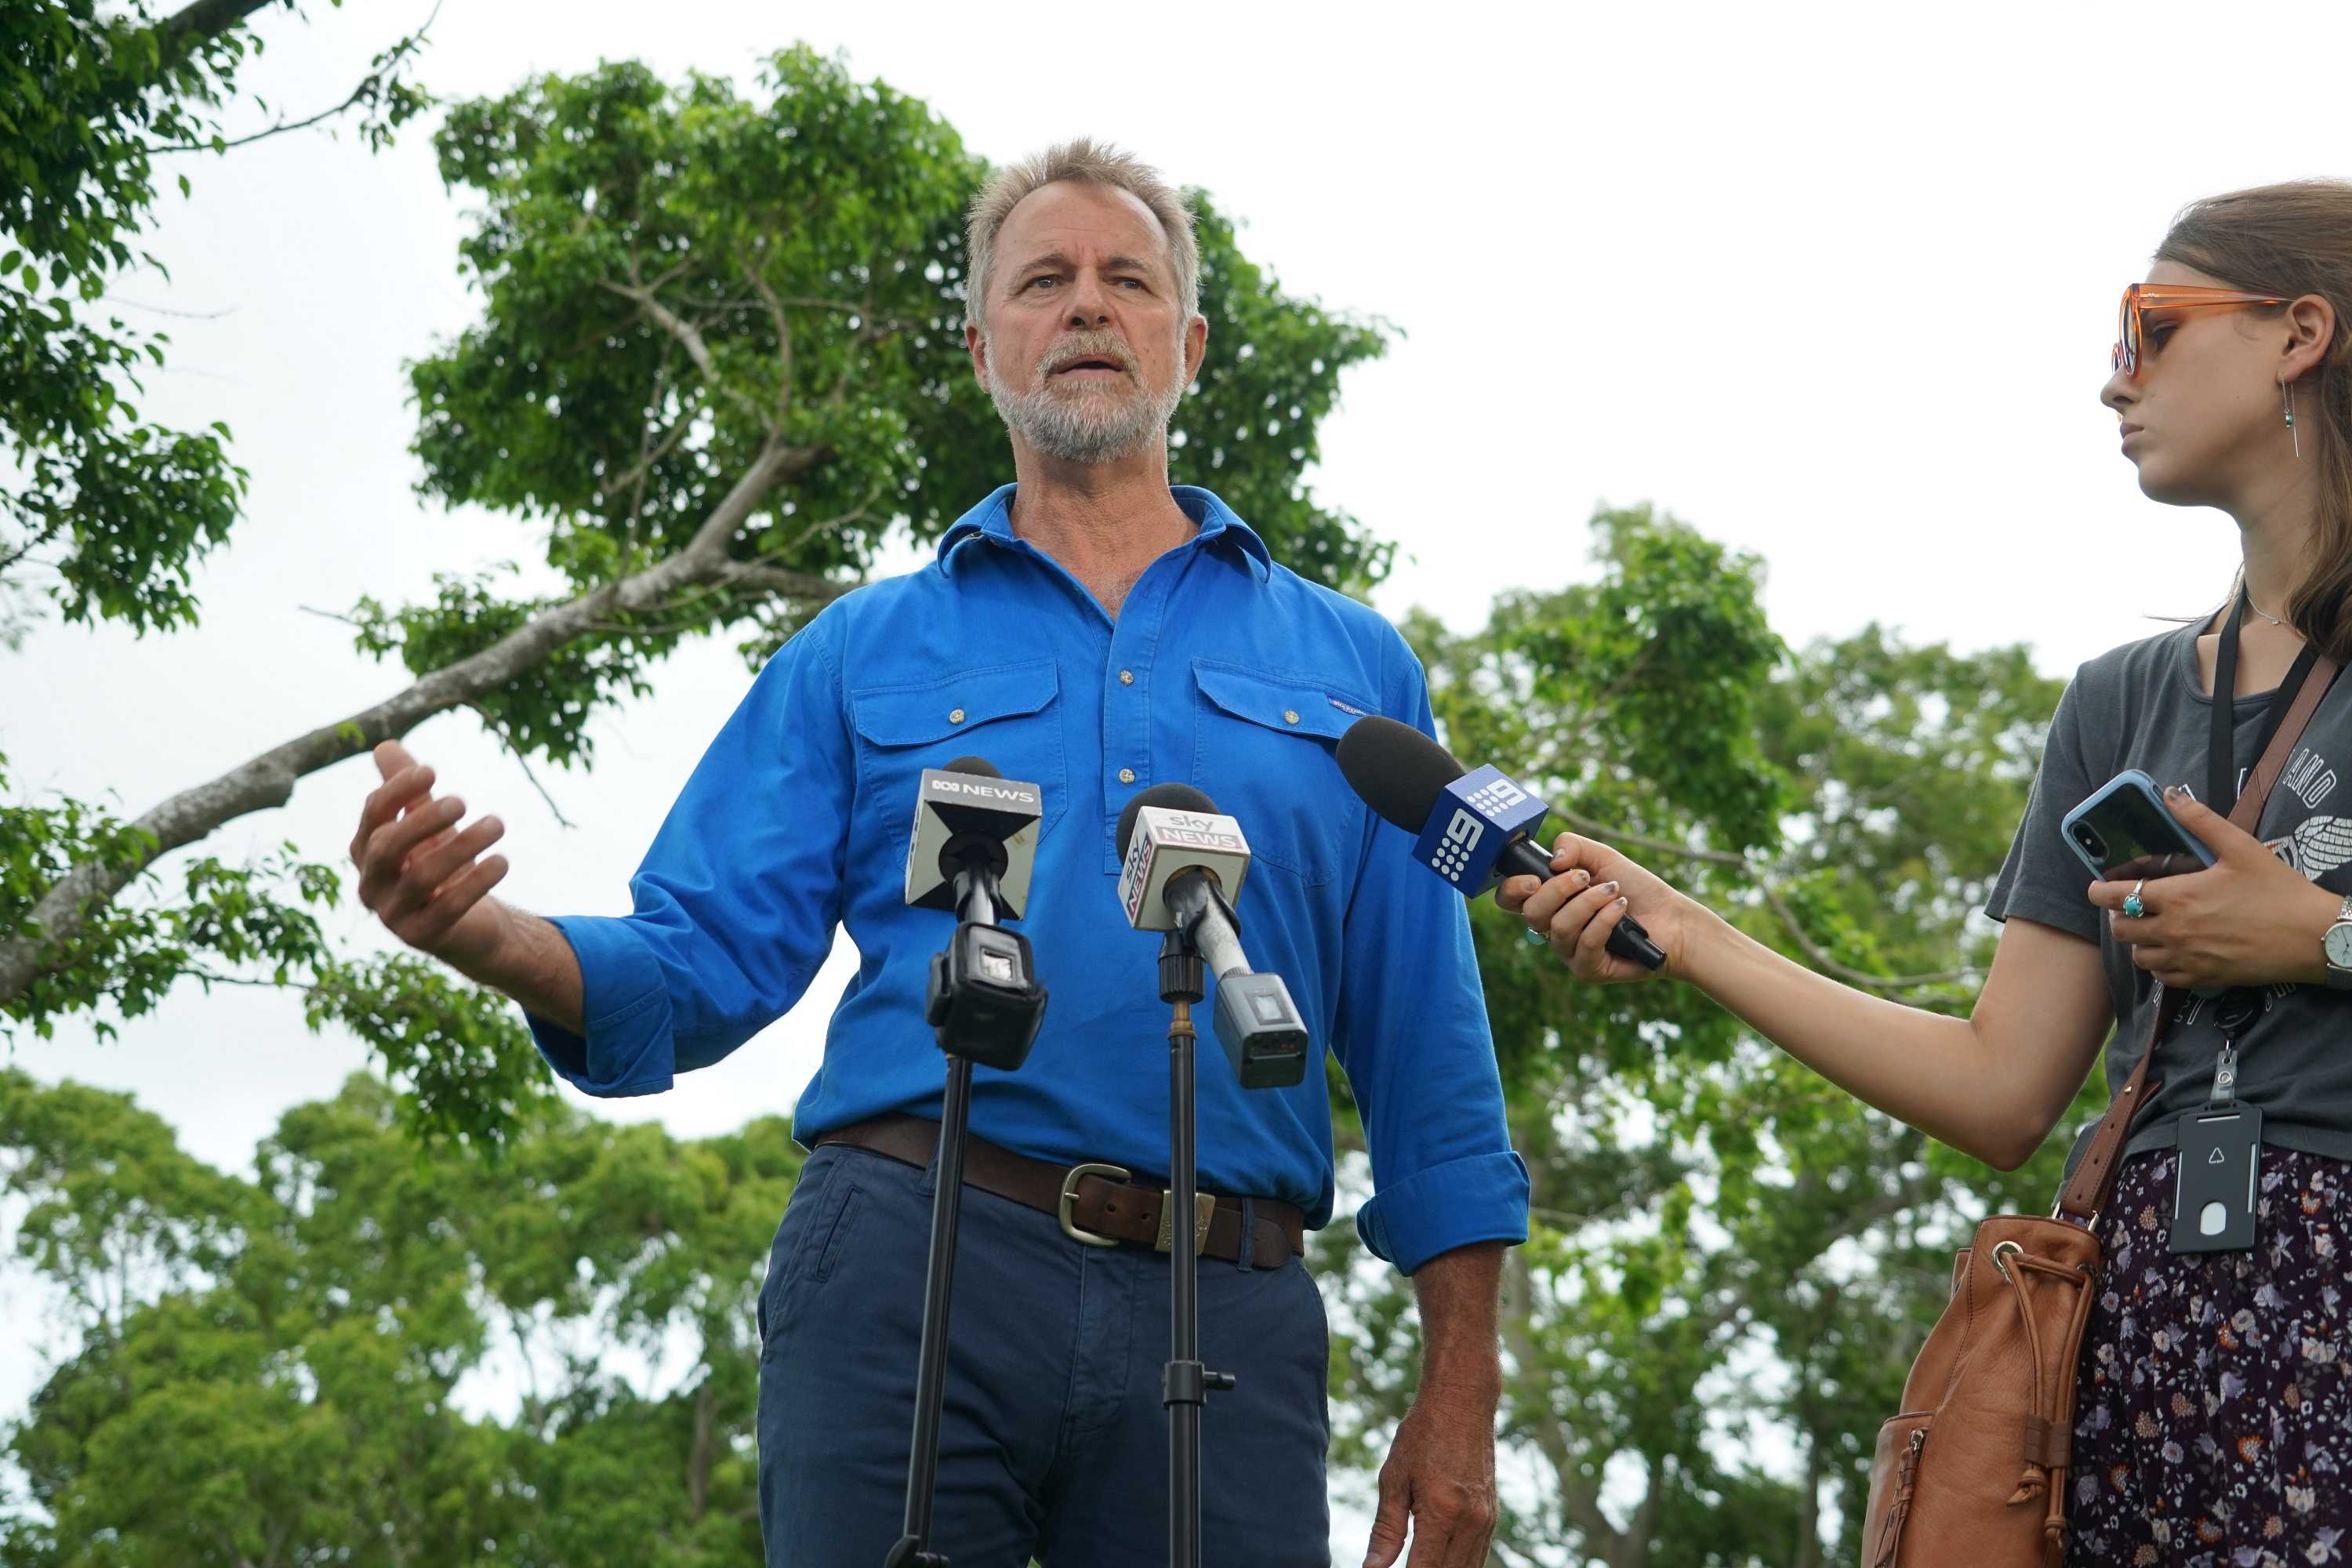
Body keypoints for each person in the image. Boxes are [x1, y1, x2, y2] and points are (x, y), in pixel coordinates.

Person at [349, 138, 1526, 1568]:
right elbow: (698, 966)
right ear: (985, 347)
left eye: (1125, 280)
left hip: (1231, 1302)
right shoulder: (863, 651)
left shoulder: (1352, 666)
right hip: (911, 1264)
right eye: (1043, 280)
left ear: (1189, 342)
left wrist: (1461, 1395)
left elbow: (1432, 1064)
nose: (1086, 306)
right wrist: (487, 936)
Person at [1501, 180, 2352, 1559]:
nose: (2110, 380)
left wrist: (2318, 938)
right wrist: (1690, 931)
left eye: (2151, 327)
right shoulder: (2118, 700)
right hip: (2149, 1340)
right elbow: (2001, 1085)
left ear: (2299, 331)